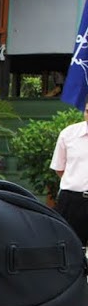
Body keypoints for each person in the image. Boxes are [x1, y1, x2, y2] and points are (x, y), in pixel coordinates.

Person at [53, 102, 88, 245]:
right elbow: (59, 168)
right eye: (87, 111)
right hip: (72, 201)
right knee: (70, 249)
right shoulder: (68, 134)